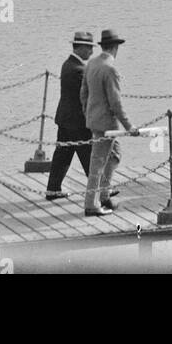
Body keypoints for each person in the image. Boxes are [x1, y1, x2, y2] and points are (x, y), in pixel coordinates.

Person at [79, 29, 140, 217]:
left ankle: (104, 195)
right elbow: (115, 102)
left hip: (94, 121)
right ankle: (91, 204)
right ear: (115, 48)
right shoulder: (110, 68)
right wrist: (129, 126)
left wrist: (88, 114)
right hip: (106, 125)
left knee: (114, 156)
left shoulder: (92, 63)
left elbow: (84, 94)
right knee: (97, 163)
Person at [44, 31, 95, 200]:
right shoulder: (79, 69)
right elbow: (88, 96)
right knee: (89, 155)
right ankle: (101, 191)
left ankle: (53, 189)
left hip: (65, 118)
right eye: (88, 48)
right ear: (79, 47)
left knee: (63, 155)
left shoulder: (68, 64)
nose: (91, 52)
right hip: (77, 121)